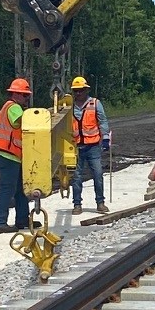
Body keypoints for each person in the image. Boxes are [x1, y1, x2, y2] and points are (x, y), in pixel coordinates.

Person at [0, 77, 32, 232]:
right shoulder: (14, 107)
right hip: (7, 153)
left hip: (10, 153)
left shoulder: (9, 106)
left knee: (20, 188)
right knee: (8, 187)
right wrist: (37, 116)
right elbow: (21, 121)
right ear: (17, 94)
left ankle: (22, 220)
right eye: (26, 95)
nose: (27, 98)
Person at [68, 74, 112, 214]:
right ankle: (77, 204)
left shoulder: (95, 103)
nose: (78, 93)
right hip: (76, 147)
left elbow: (102, 121)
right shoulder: (69, 107)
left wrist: (105, 138)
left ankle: (100, 203)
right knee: (76, 177)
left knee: (98, 174)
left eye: (81, 90)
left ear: (86, 90)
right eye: (76, 90)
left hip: (93, 146)